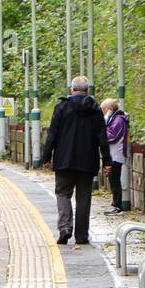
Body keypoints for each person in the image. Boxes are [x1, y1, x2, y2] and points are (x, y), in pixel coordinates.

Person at [39, 76, 110, 245]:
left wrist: (46, 157)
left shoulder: (62, 107)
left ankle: (65, 228)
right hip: (88, 161)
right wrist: (107, 161)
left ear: (72, 90)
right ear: (87, 91)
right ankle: (81, 235)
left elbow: (53, 134)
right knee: (83, 198)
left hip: (64, 160)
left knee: (63, 193)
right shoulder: (95, 109)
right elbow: (102, 137)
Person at [101, 98, 128, 214]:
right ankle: (116, 204)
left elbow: (112, 137)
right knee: (113, 180)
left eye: (103, 110)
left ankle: (117, 206)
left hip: (116, 155)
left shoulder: (118, 120)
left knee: (115, 180)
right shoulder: (114, 119)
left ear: (109, 110)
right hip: (113, 154)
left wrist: (102, 129)